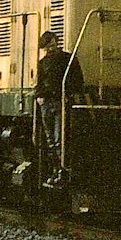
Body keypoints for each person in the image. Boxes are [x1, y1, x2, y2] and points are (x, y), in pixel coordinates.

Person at [34, 31, 83, 181]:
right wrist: (39, 96)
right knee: (51, 139)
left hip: (59, 102)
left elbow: (77, 79)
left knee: (58, 139)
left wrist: (70, 95)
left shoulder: (68, 59)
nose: (50, 48)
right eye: (47, 46)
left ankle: (62, 170)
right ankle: (55, 170)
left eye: (52, 44)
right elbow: (39, 82)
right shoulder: (42, 63)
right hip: (47, 103)